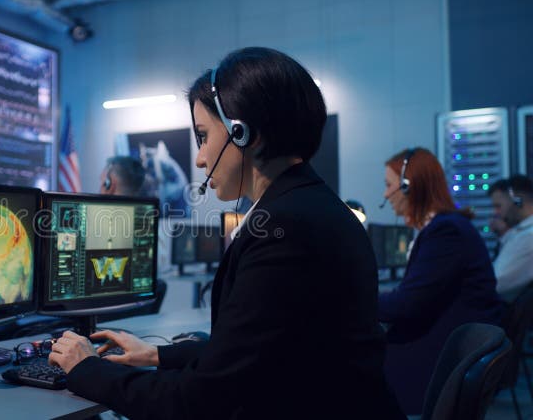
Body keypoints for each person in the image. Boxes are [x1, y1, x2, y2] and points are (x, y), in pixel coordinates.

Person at [46, 47, 404, 419]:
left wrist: (85, 369)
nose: (200, 158)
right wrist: (157, 354)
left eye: (203, 136)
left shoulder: (286, 231)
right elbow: (272, 355)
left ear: (245, 133)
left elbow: (197, 401)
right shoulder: (312, 207)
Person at [378, 147, 504, 415]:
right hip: (445, 343)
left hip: (440, 356)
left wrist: (349, 298)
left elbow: (406, 305)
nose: (385, 194)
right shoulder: (446, 228)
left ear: (409, 186)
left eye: (389, 185)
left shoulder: (445, 232)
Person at [488, 176, 533, 302]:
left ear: (518, 201)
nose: (496, 213)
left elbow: (495, 283)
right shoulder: (520, 233)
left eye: (498, 206)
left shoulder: (528, 237)